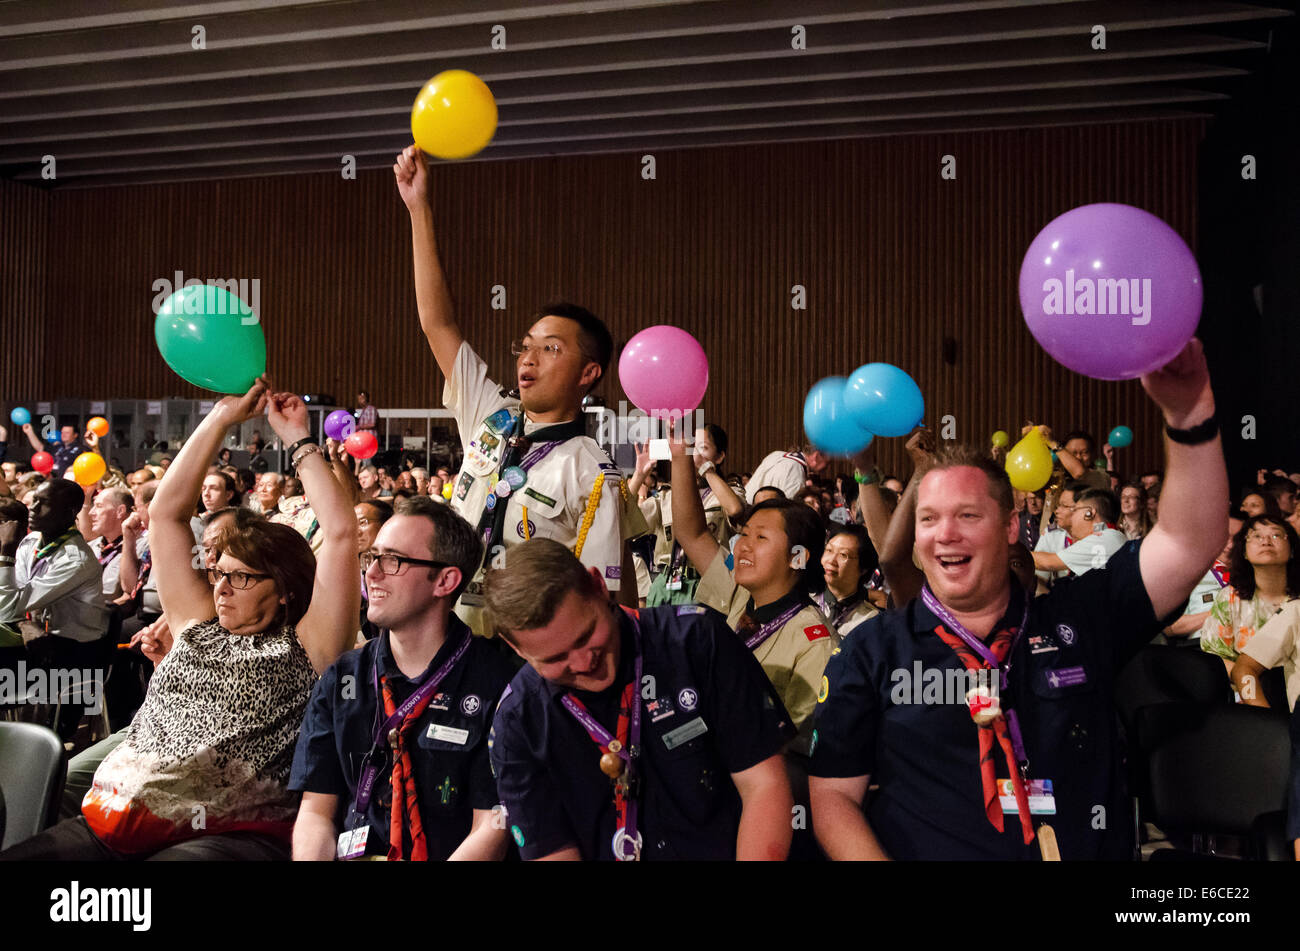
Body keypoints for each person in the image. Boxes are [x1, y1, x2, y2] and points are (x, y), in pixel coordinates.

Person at [807, 340, 1227, 860]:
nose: (945, 535)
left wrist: (1189, 416)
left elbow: (1191, 542)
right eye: (929, 519)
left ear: (1010, 528)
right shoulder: (872, 652)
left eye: (968, 515)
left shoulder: (1082, 619)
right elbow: (832, 796)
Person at [0, 379, 360, 861]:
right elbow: (167, 513)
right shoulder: (197, 624)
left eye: (242, 578)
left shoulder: (307, 648)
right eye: (217, 573)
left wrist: (297, 438)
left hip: (219, 833)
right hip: (114, 818)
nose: (221, 587)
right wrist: (221, 418)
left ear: (286, 590)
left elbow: (340, 532)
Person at [394, 143, 645, 635]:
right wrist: (419, 208)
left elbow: (603, 596)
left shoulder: (591, 471)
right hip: (443, 632)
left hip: (519, 654)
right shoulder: (491, 415)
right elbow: (437, 323)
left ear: (589, 373)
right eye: (525, 346)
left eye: (550, 349)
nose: (528, 358)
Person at [485, 539, 796, 860]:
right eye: (554, 659)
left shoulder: (698, 640)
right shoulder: (517, 721)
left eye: (586, 635)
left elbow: (764, 786)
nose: (582, 663)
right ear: (516, 648)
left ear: (599, 586)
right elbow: (550, 851)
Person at [290, 497, 514, 861]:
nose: (372, 573)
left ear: (445, 580)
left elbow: (491, 826)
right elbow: (316, 812)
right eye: (371, 557)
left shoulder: (497, 684)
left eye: (392, 560)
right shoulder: (344, 678)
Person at [667, 428, 837, 754]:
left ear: (798, 557)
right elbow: (692, 534)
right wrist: (681, 458)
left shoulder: (814, 642)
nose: (743, 546)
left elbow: (799, 747)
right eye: (744, 534)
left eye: (760, 538)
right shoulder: (743, 595)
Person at [0, 479, 110, 740]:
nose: (33, 508)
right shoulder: (31, 543)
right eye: (33, 501)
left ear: (70, 512)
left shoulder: (75, 559)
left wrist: (5, 553)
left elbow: (7, 608)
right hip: (37, 641)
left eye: (44, 503)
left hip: (73, 655)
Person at [1200, 515, 1298, 672]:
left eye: (1276, 535)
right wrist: (1248, 682)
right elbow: (1216, 656)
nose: (1266, 541)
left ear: (1292, 549)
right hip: (1246, 689)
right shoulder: (1230, 599)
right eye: (1257, 536)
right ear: (1244, 552)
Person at [1031, 487, 1127, 579]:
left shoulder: (1103, 539)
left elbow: (1047, 562)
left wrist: (1017, 553)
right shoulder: (1110, 535)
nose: (1072, 516)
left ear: (1089, 513)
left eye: (1075, 510)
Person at [816, 524, 880, 637]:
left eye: (843, 555)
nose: (831, 561)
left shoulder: (870, 620)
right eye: (829, 550)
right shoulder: (805, 602)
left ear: (863, 568)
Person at [745, 445, 829, 505]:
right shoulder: (796, 471)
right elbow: (788, 511)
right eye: (828, 463)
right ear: (817, 456)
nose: (826, 468)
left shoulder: (776, 454)